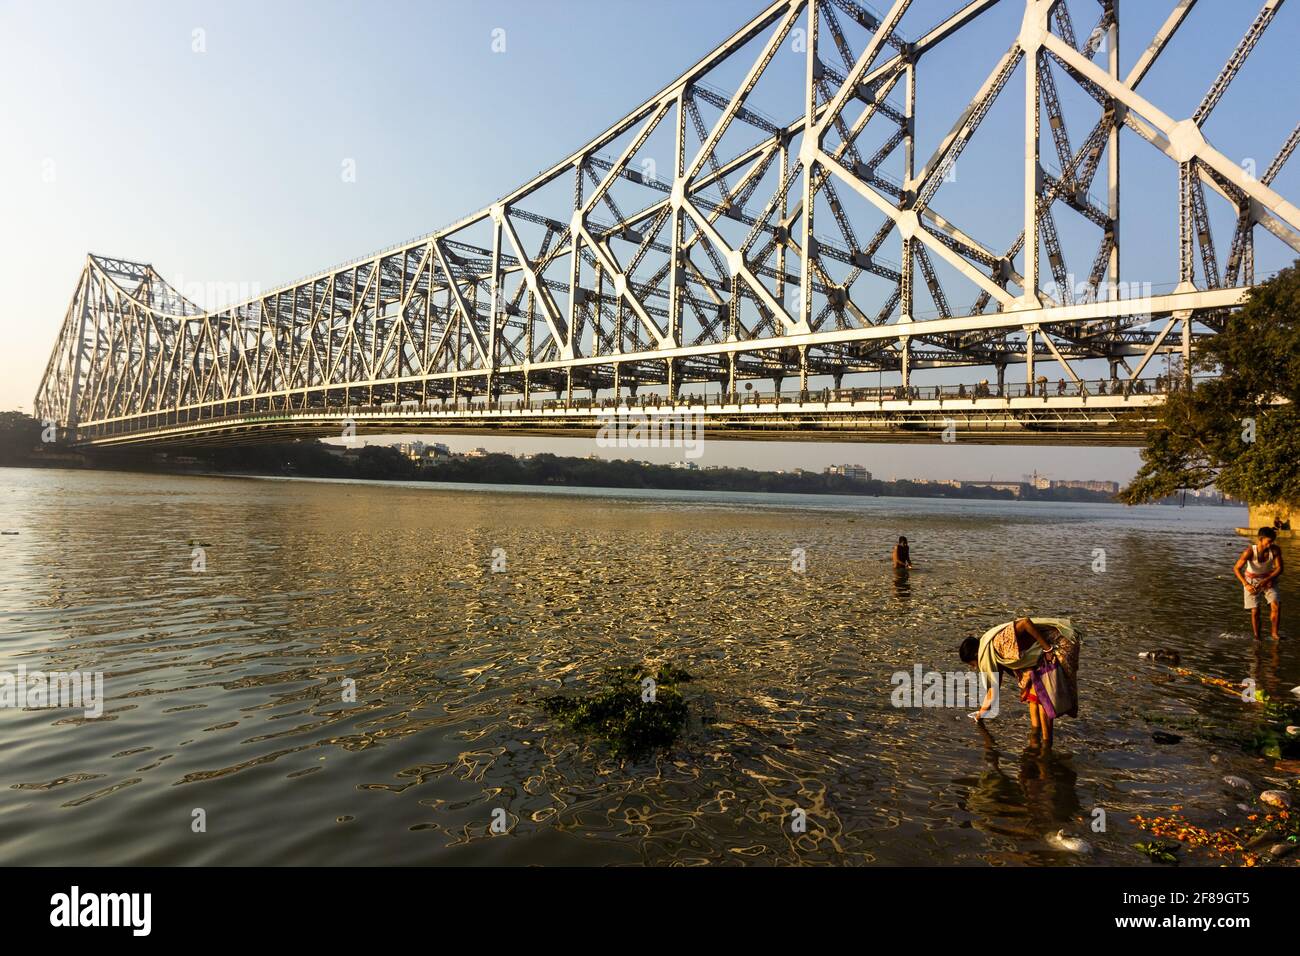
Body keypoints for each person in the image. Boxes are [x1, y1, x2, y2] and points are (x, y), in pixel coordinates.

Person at [959, 617, 1081, 750]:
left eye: (972, 664)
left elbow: (1025, 623)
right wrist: (979, 716)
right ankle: (1035, 743)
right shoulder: (993, 656)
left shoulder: (997, 642)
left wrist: (1047, 648)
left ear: (977, 654)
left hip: (1058, 643)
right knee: (1032, 696)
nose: (974, 668)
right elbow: (992, 695)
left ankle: (1046, 746)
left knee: (1043, 699)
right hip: (1039, 656)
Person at [1234, 527, 1283, 640]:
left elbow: (1280, 568)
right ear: (1260, 539)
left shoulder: (1275, 550)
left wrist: (1267, 580)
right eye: (1269, 542)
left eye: (1272, 541)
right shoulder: (1249, 552)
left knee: (1276, 605)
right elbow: (1236, 569)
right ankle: (1257, 636)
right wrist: (1246, 584)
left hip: (1269, 578)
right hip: (1251, 581)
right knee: (1255, 611)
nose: (1270, 544)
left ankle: (1274, 634)